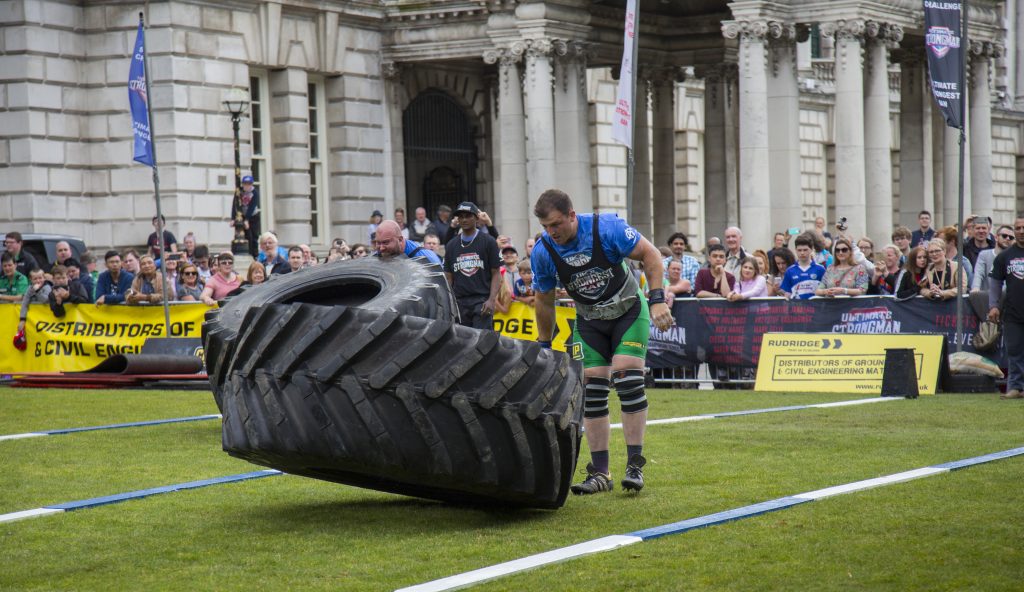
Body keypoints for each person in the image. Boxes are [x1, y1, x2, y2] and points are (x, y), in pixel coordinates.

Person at [530, 189, 673, 496]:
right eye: (545, 227)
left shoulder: (606, 228)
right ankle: (600, 473)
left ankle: (634, 465)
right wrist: (544, 345)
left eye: (556, 224)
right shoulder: (543, 251)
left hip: (628, 312)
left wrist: (658, 299)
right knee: (592, 392)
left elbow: (651, 254)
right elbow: (543, 299)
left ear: (571, 215)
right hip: (589, 320)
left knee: (627, 378)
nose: (551, 232)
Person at [443, 202, 502, 328]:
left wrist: (492, 300)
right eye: (461, 216)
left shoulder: (488, 241)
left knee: (482, 343)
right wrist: (449, 303)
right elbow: (448, 278)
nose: (464, 219)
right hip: (459, 302)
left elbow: (496, 273)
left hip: (482, 301)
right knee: (463, 344)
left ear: (476, 218)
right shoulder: (451, 245)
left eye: (468, 216)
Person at [988, 214, 1024, 399]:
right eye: (1017, 228)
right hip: (1012, 312)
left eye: (1023, 228)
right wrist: (993, 306)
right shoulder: (1005, 257)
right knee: (1014, 350)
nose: (1021, 231)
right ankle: (1015, 388)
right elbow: (995, 283)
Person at [780, 234, 826, 300]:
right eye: (799, 250)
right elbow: (787, 293)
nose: (802, 253)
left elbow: (825, 290)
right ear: (795, 250)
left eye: (805, 250)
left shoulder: (820, 269)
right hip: (796, 309)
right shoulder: (790, 270)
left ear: (811, 249)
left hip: (816, 308)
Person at [375, 220, 442, 263]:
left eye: (386, 242)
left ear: (400, 240)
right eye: (378, 242)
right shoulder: (377, 255)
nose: (381, 248)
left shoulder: (427, 259)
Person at [973, 224, 1015, 293]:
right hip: (985, 298)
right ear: (996, 237)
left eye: (1011, 237)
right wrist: (975, 288)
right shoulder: (984, 254)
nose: (1007, 239)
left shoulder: (1014, 259)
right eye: (1004, 236)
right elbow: (978, 274)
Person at [17, 268, 51, 334]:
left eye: (40, 278)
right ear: (31, 280)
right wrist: (22, 319)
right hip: (34, 318)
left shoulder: (47, 287)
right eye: (35, 279)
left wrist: (37, 291)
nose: (38, 281)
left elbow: (45, 300)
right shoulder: (30, 288)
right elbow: (25, 302)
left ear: (44, 278)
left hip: (47, 317)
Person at [239, 175, 261, 256]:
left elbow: (252, 206)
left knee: (254, 237)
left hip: (253, 217)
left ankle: (254, 254)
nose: (247, 186)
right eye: (245, 184)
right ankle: (247, 252)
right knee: (247, 236)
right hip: (244, 216)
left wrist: (247, 219)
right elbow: (236, 204)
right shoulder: (240, 192)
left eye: (249, 184)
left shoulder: (255, 193)